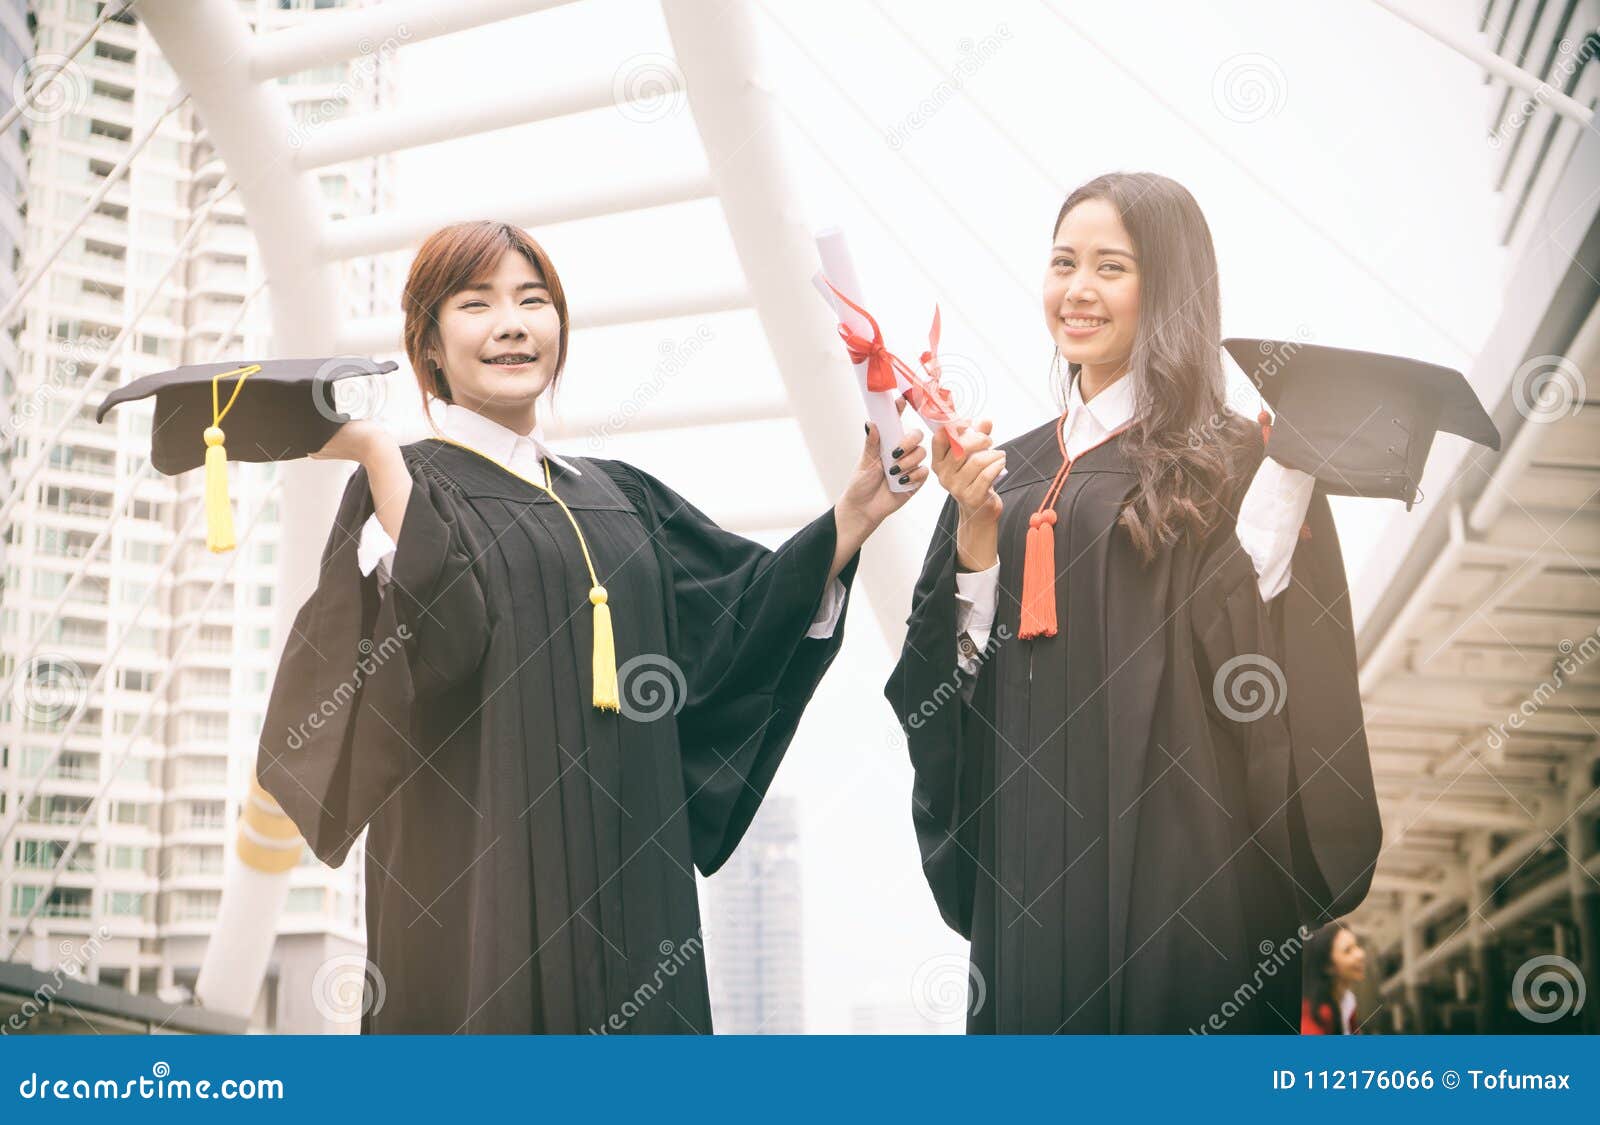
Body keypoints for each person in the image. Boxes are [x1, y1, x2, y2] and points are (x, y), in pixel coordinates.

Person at [256, 219, 929, 1033]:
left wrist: (854, 514)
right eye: (476, 304)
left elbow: (740, 622)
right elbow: (437, 643)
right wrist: (372, 450)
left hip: (634, 894)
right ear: (428, 345)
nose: (511, 323)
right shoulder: (407, 486)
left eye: (532, 301)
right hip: (480, 890)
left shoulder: (621, 497)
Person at [885, 172, 1382, 1033]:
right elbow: (952, 685)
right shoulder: (1003, 471)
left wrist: (1265, 549)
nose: (1078, 289)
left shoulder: (1239, 460)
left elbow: (1270, 677)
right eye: (1062, 262)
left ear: (1168, 289)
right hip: (1029, 880)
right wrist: (974, 536)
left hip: (1186, 880)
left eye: (1111, 267)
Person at [1301, 922, 1368, 1034]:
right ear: (1328, 966)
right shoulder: (1311, 1019)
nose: (1360, 954)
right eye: (1348, 951)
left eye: (1356, 946)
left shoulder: (1347, 1000)